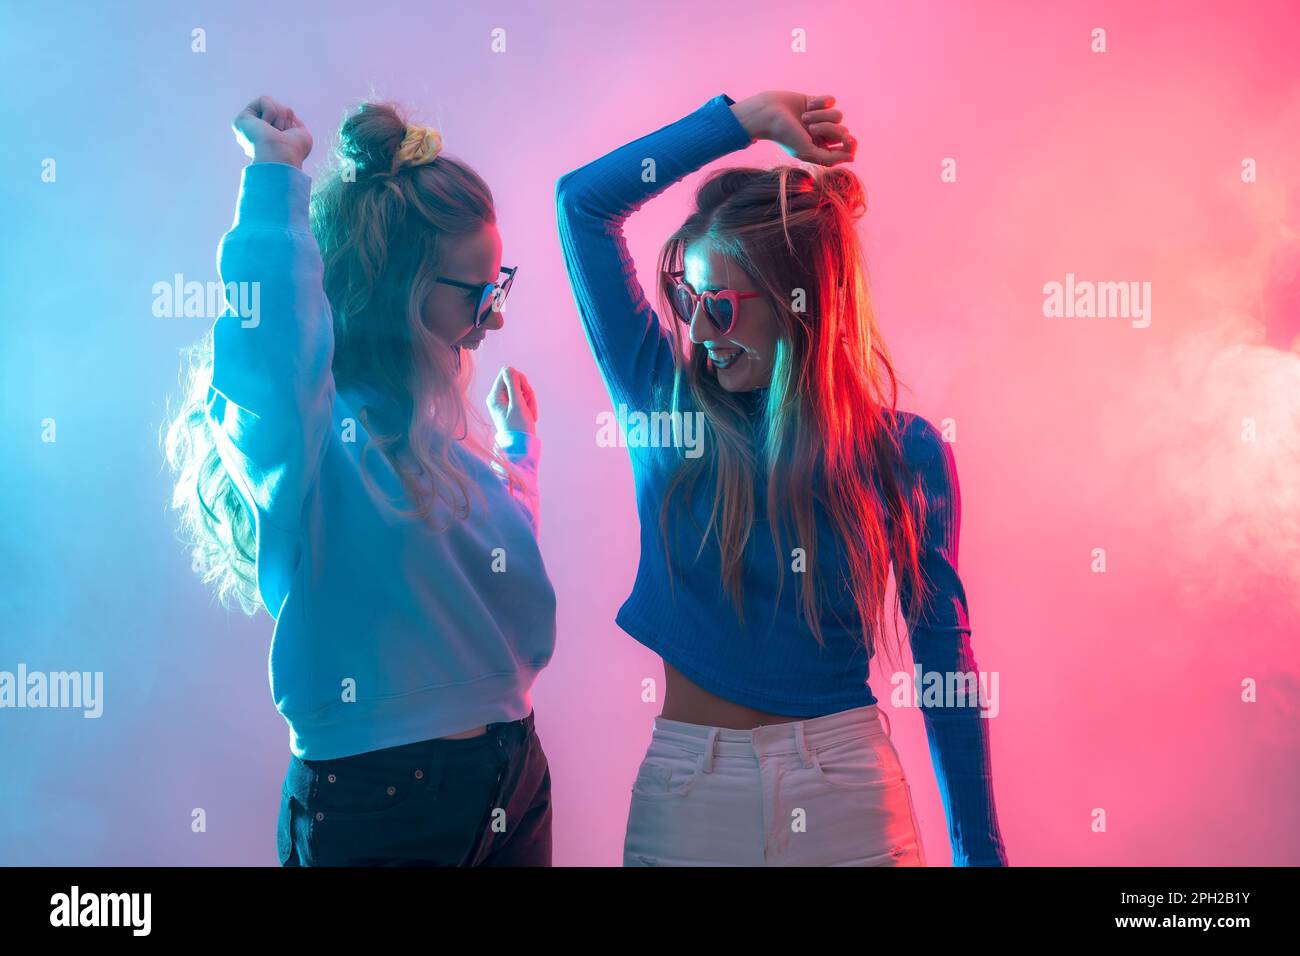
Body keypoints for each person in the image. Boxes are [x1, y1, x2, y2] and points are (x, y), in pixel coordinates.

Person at [556, 89, 1009, 866]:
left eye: (722, 307)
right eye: (687, 300)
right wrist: (742, 122)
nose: (697, 334)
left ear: (802, 305)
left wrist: (980, 853)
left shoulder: (903, 452)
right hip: (689, 794)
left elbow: (945, 663)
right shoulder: (661, 406)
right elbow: (582, 205)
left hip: (847, 795)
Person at [164, 95, 556, 866]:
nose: (496, 317)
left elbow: (482, 587)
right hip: (377, 798)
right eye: (478, 293)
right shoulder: (311, 436)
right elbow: (270, 366)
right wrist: (276, 180)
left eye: (498, 285)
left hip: (512, 774)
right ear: (399, 286)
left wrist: (521, 455)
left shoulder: (446, 431)